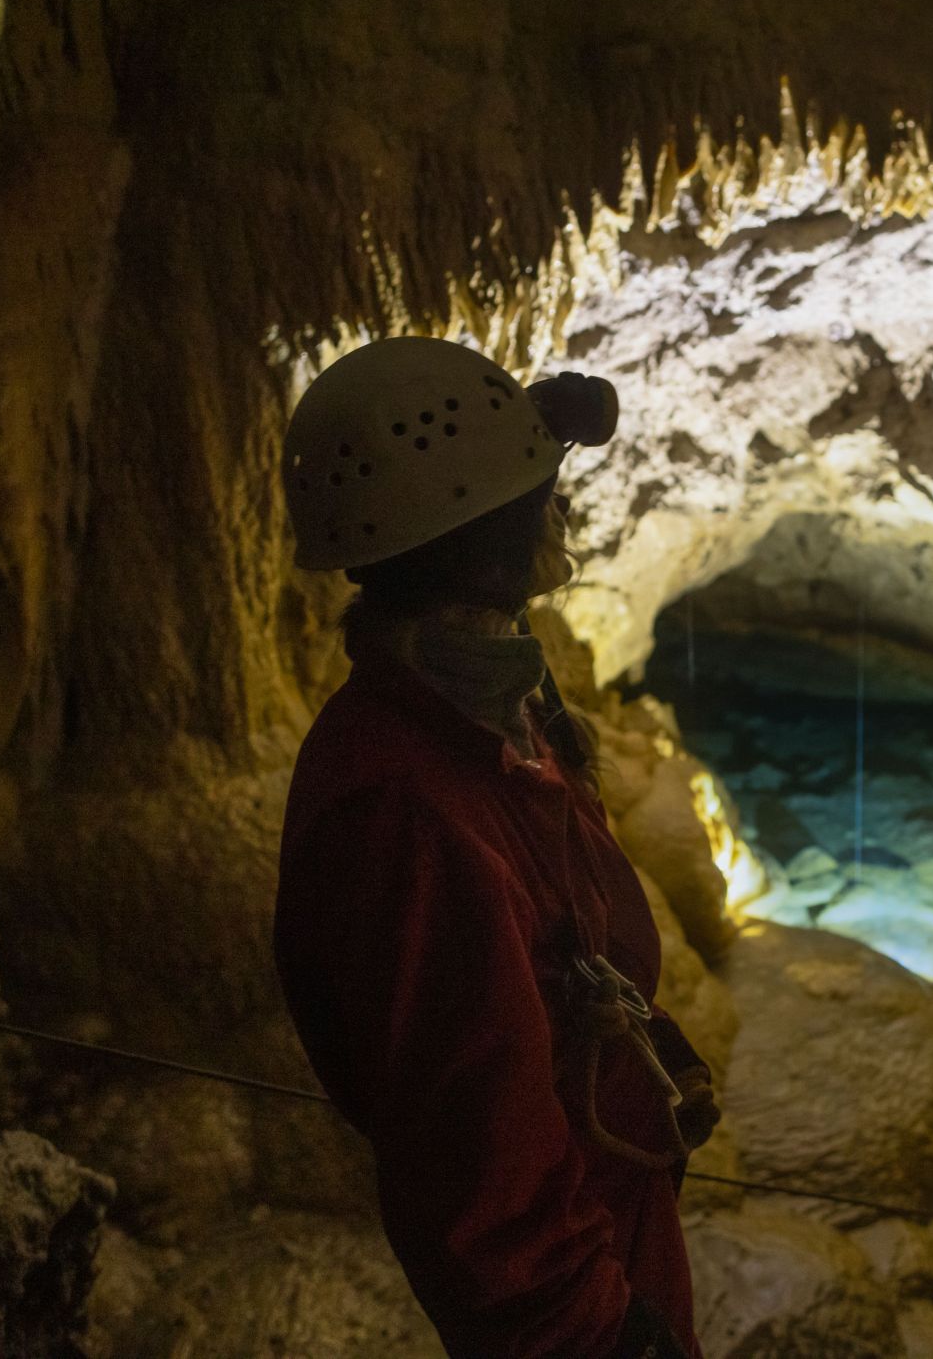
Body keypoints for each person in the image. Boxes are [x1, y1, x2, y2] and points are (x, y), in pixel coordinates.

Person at [271, 337, 717, 1359]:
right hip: (570, 1288)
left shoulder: (493, 698)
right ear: (463, 532)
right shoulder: (400, 810)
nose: (557, 501)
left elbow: (555, 938)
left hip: (610, 1200)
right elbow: (479, 1181)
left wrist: (641, 1041)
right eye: (534, 484)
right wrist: (601, 1341)